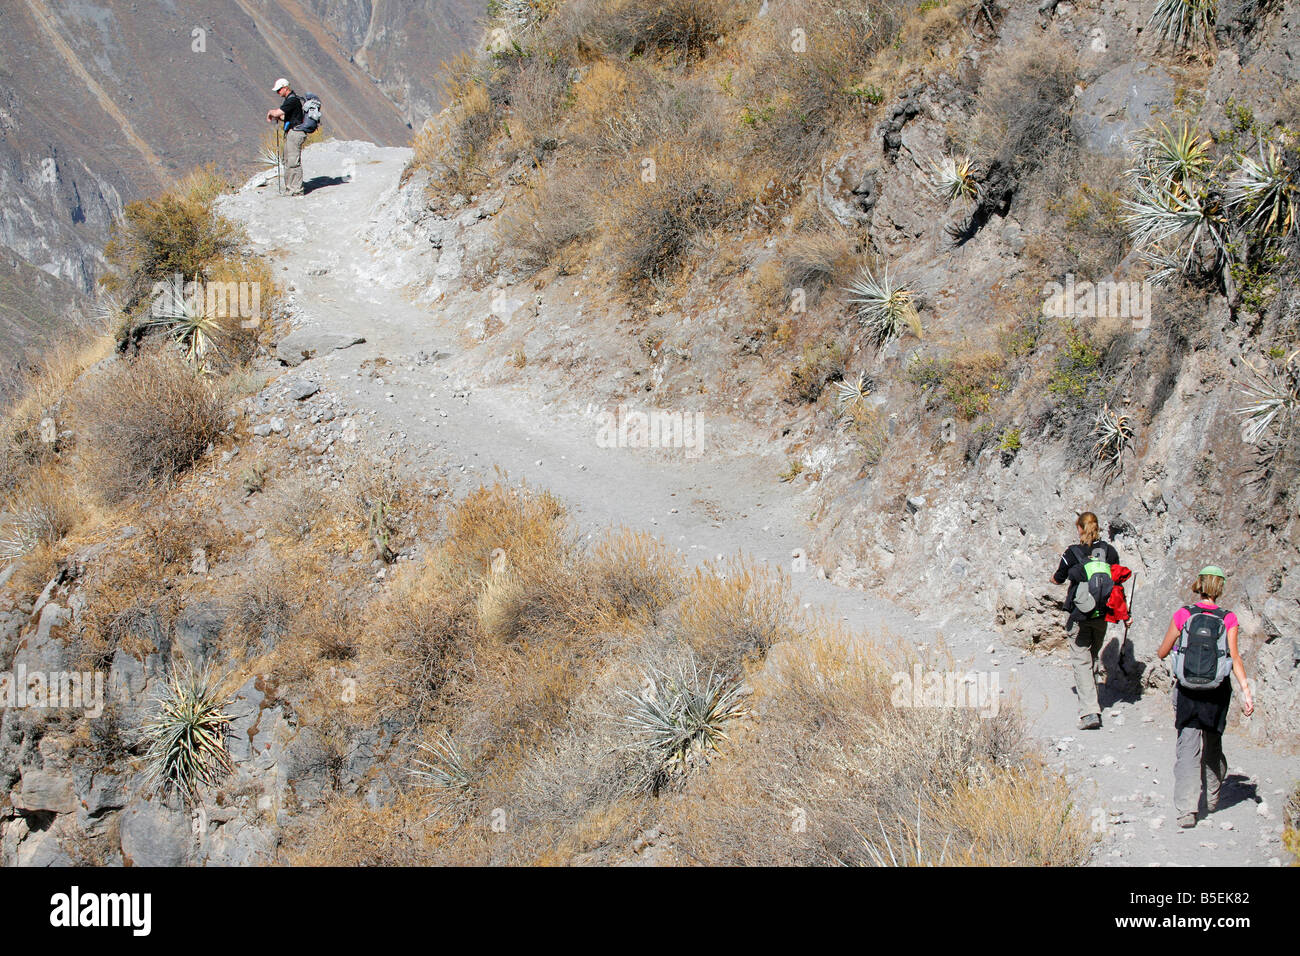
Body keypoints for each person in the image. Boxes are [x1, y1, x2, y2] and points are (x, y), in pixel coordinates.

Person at [1156, 566, 1254, 829]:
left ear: (1198, 584)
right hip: (1216, 692)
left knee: (1187, 747)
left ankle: (1187, 810)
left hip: (1187, 691)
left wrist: (1176, 649)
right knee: (1213, 743)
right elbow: (1234, 657)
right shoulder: (1228, 618)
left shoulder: (1184, 614)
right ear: (1220, 587)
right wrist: (1246, 692)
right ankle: (1211, 797)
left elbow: (1162, 652)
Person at [1051, 511, 1119, 730]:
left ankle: (1090, 712)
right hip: (1102, 613)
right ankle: (1093, 700)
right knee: (1092, 656)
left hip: (1079, 613)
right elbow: (1117, 580)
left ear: (1079, 528)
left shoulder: (1072, 552)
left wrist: (1055, 578)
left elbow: (1058, 577)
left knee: (1081, 661)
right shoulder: (1109, 551)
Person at [266, 78, 306, 197]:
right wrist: (278, 117)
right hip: (292, 132)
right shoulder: (290, 100)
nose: (278, 93)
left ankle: (296, 190)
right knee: (287, 160)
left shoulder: (292, 100)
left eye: (279, 90)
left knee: (293, 161)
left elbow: (278, 112)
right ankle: (290, 188)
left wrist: (270, 113)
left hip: (295, 132)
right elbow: (286, 117)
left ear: (285, 87)